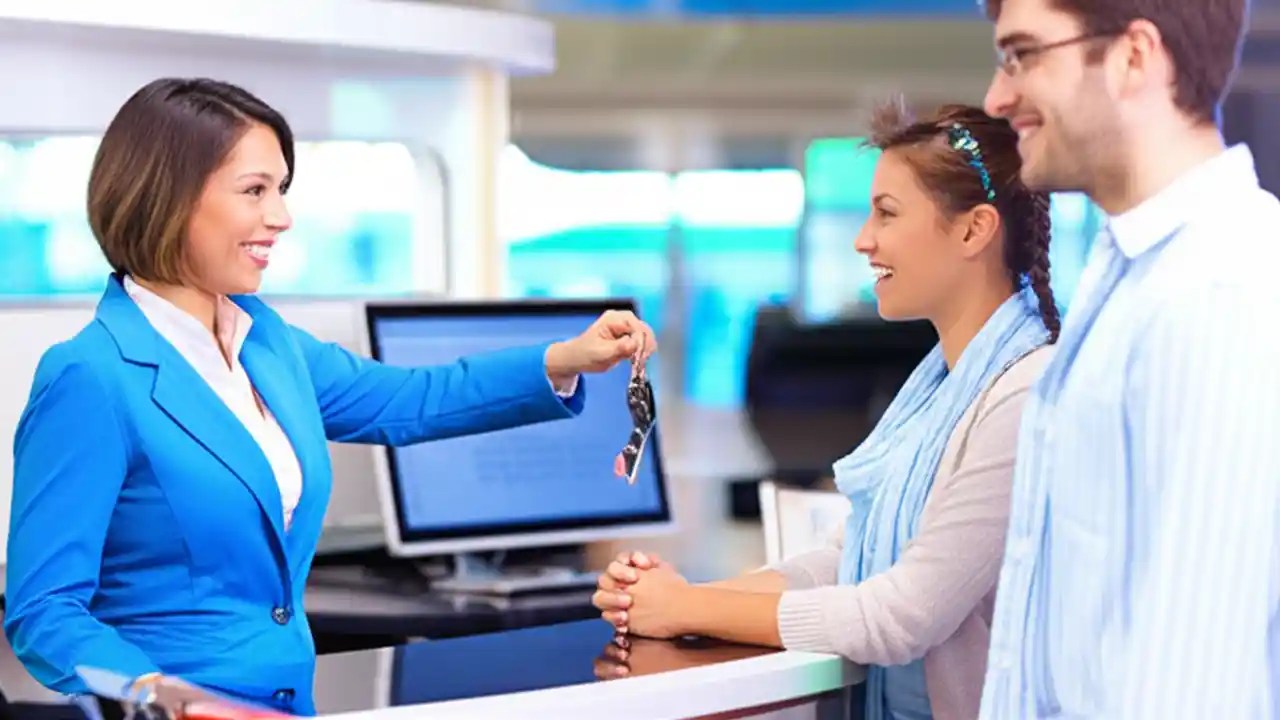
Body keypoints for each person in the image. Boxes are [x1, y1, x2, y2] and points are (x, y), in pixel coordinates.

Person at [3, 77, 656, 716]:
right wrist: (165, 698)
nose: (281, 217)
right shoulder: (91, 377)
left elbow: (411, 399)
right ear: (169, 198)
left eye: (281, 190)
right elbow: (43, 610)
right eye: (254, 191)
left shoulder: (268, 343)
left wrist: (566, 360)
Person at [593, 102, 1059, 720]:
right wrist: (671, 595)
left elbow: (899, 615)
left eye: (887, 214)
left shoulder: (1025, 394)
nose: (864, 239)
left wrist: (685, 610)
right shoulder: (941, 385)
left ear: (974, 231)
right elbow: (851, 556)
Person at [977, 1, 1280, 718]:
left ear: (1135, 57)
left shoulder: (1217, 287)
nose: (998, 97)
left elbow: (1191, 685)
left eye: (1023, 55)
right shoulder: (1134, 276)